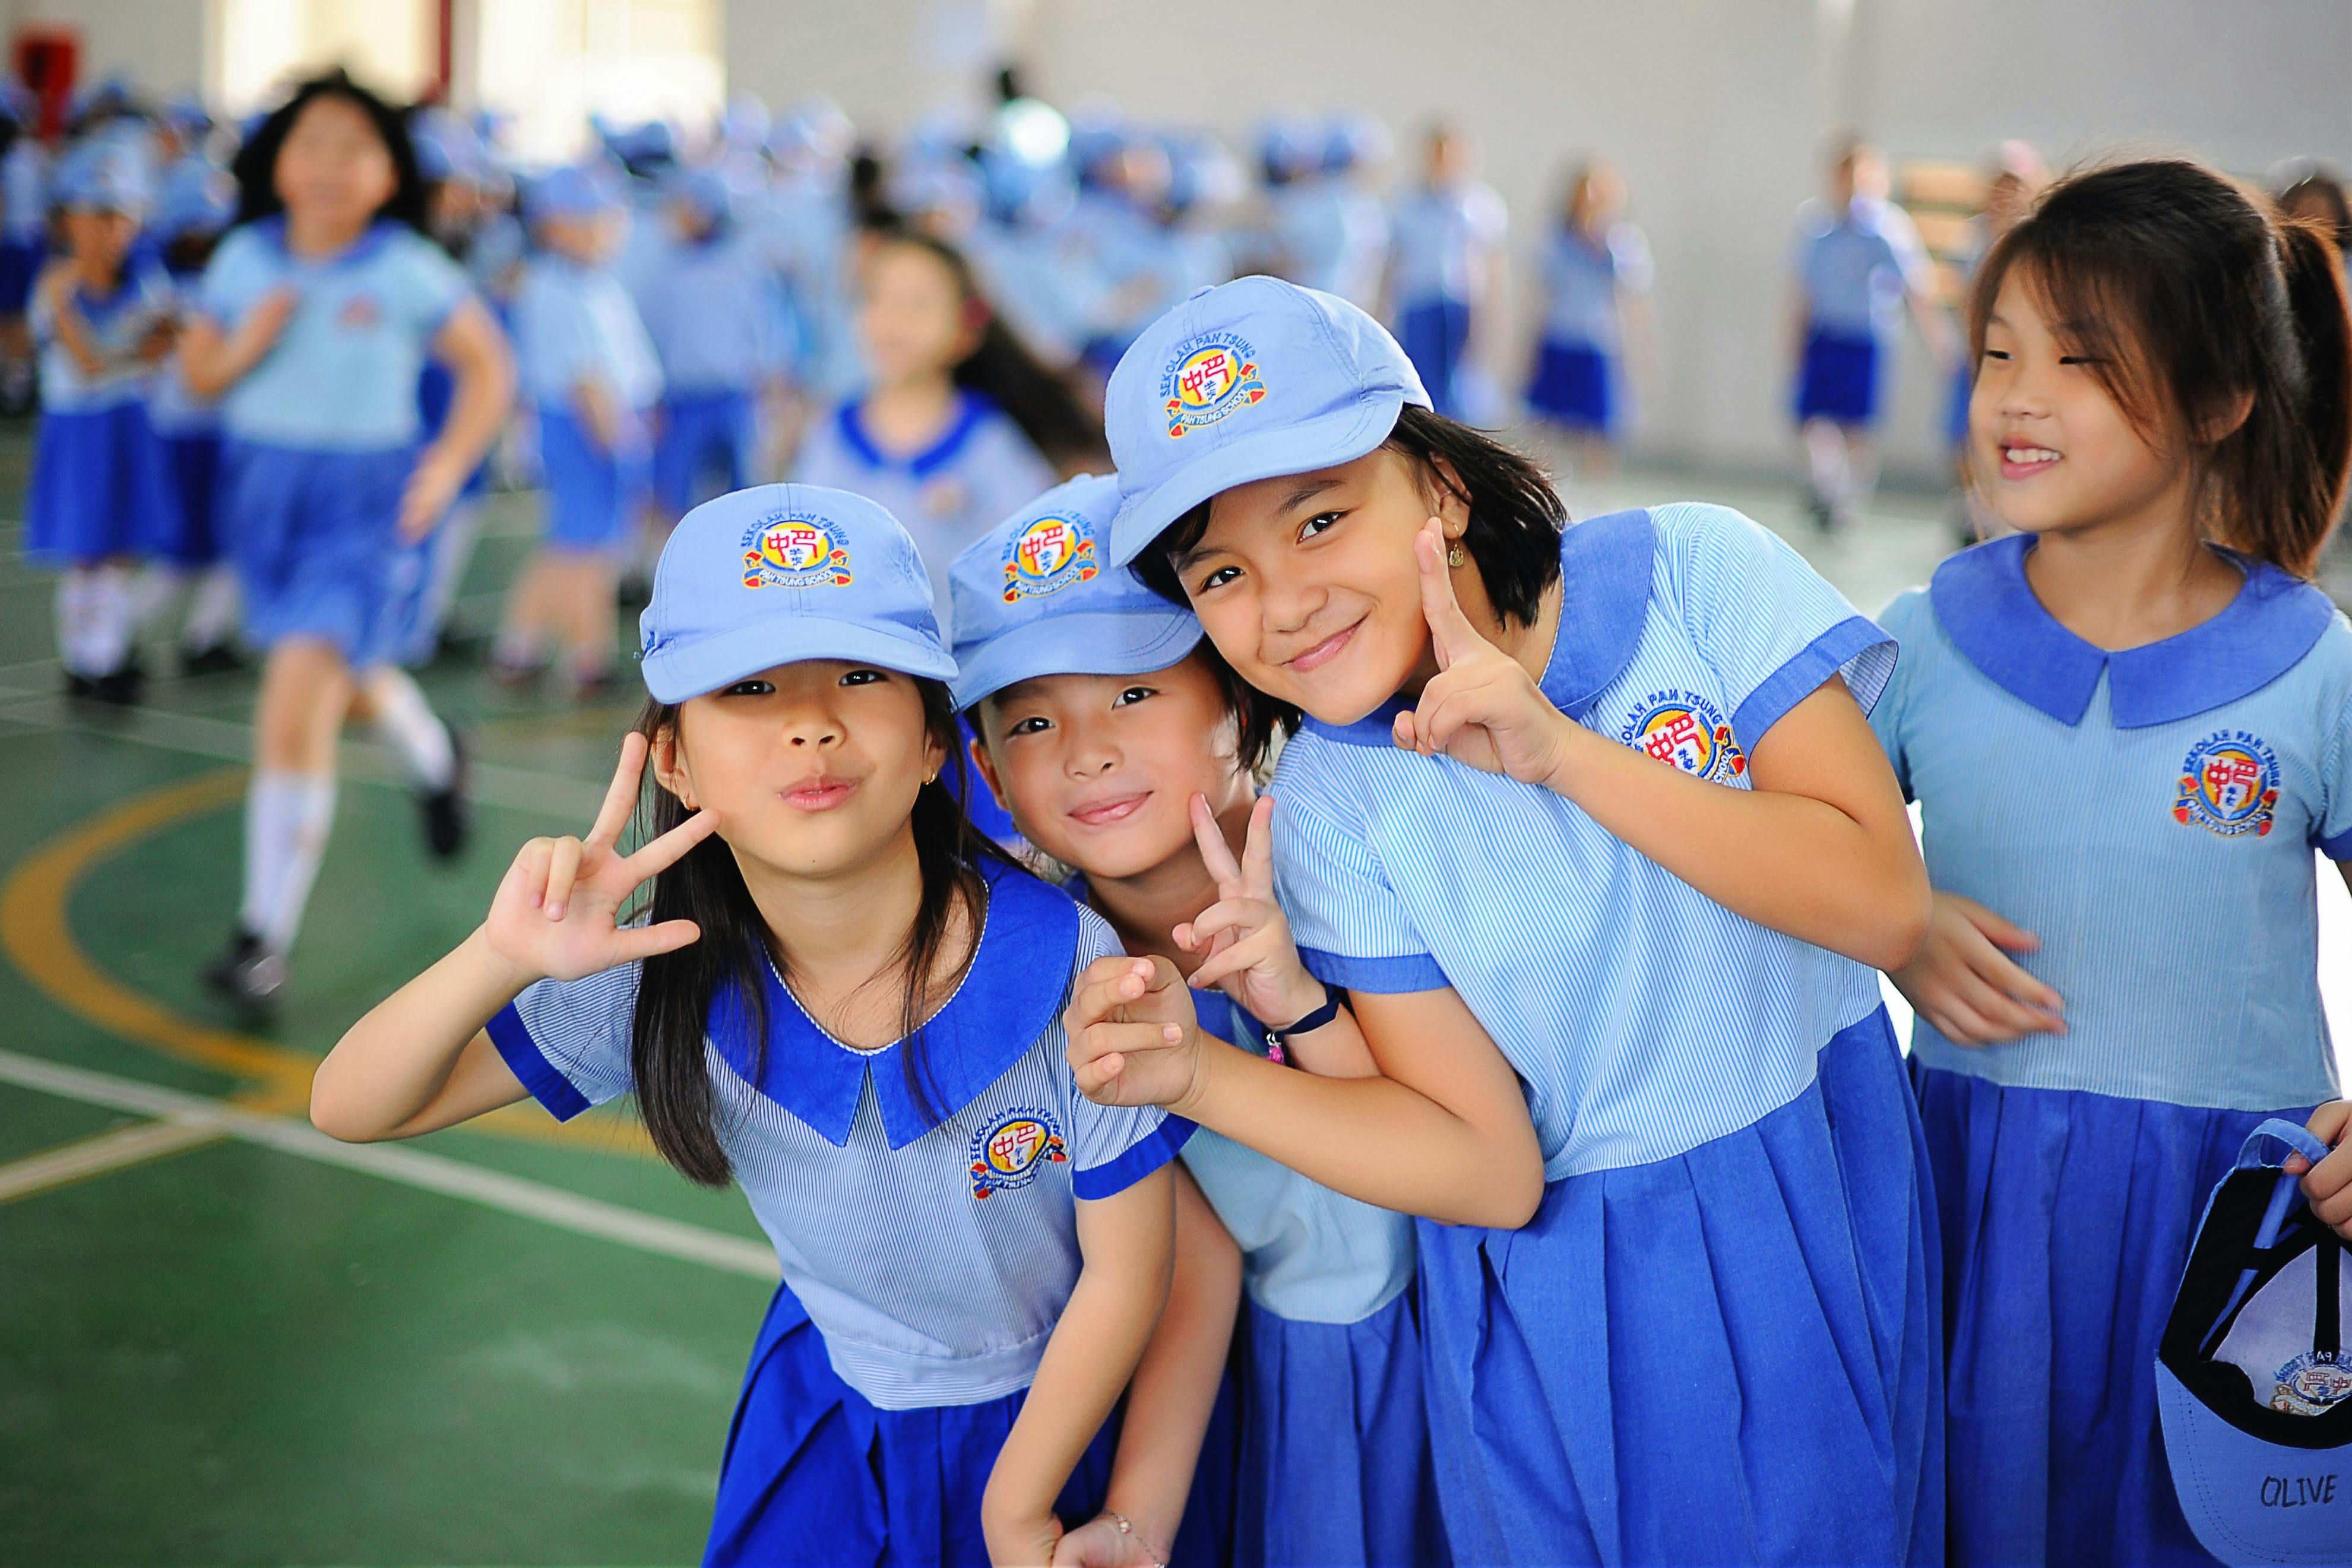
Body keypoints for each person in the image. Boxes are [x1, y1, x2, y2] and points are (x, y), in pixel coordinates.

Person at [1074, 275, 1943, 1563]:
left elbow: (1878, 902)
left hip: (1808, 1214)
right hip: (1563, 1313)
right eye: (1222, 572)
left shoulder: (1697, 576)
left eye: (1321, 519)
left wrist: (1568, 757)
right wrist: (1195, 1070)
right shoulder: (1329, 806)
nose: (1285, 600)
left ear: (1440, 487)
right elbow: (1487, 1166)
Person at [311, 484, 1192, 1566]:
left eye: (862, 676)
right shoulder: (663, 976)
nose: (810, 721)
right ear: (672, 760)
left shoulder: (1066, 964)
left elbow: (1132, 1271)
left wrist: (1015, 1507)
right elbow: (351, 1104)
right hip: (828, 1410)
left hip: (1058, 1423)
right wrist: (503, 952)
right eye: (752, 686)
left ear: (933, 741)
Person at [1871, 158, 2352, 1568]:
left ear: (2216, 401)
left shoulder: (2311, 674)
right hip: (1965, 1207)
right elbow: (1778, 849)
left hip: (2230, 1239)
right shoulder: (1923, 641)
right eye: (1998, 353)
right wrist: (1889, 919)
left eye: (2080, 362)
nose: (2015, 396)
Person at [951, 476, 1444, 1566]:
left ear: (1232, 691)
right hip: (1224, 1388)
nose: (1085, 750)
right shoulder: (1052, 970)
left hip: (1442, 1343)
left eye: (1132, 692)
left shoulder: (1355, 849)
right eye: (1031, 719)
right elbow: (1190, 1258)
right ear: (986, 768)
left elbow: (1437, 1150)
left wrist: (1303, 1006)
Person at [179, 71, 512, 1016]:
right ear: (275, 161)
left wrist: (448, 467)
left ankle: (261, 938)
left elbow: (488, 366)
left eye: (355, 147)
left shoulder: (405, 267)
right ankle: (438, 756)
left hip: (361, 508)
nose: (330, 165)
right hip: (263, 493)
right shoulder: (245, 259)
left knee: (295, 704)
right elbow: (201, 370)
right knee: (344, 676)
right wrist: (250, 345)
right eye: (311, 143)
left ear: (388, 173)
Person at [490, 164, 659, 698]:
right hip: (585, 429)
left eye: (607, 220)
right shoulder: (557, 288)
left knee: (583, 545)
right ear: (552, 227)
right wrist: (620, 445)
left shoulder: (590, 282)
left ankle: (532, 650)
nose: (601, 232)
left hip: (600, 424)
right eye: (585, 221)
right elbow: (588, 379)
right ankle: (579, 659)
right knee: (583, 548)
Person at [24, 140, 176, 702]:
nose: (112, 233)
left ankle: (106, 656)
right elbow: (86, 364)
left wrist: (149, 345)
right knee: (86, 549)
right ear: (71, 221)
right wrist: (139, 351)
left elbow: (170, 339)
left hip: (126, 420)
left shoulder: (143, 280)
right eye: (98, 218)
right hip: (80, 428)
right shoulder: (56, 286)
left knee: (118, 549)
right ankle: (82, 660)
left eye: (122, 219)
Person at [1788, 132, 1953, 531]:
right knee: (1814, 419)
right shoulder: (1816, 226)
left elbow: (1916, 288)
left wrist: (1939, 340)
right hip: (1825, 333)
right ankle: (1825, 486)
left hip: (1865, 337)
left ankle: (1849, 499)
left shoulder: (1887, 229)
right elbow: (1802, 290)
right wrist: (1794, 341)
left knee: (1857, 425)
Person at [1523, 158, 1654, 478]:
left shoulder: (1621, 243)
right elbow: (1543, 293)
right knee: (1551, 423)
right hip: (1560, 337)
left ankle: (1597, 488)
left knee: (1598, 427)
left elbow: (1633, 292)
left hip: (1598, 341)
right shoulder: (1557, 241)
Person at [1384, 124, 1506, 423]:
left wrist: (1492, 317)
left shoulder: (1480, 206)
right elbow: (1393, 262)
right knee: (1422, 382)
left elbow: (1492, 265)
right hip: (1418, 302)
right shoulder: (1406, 205)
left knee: (1461, 381)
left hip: (1460, 303)